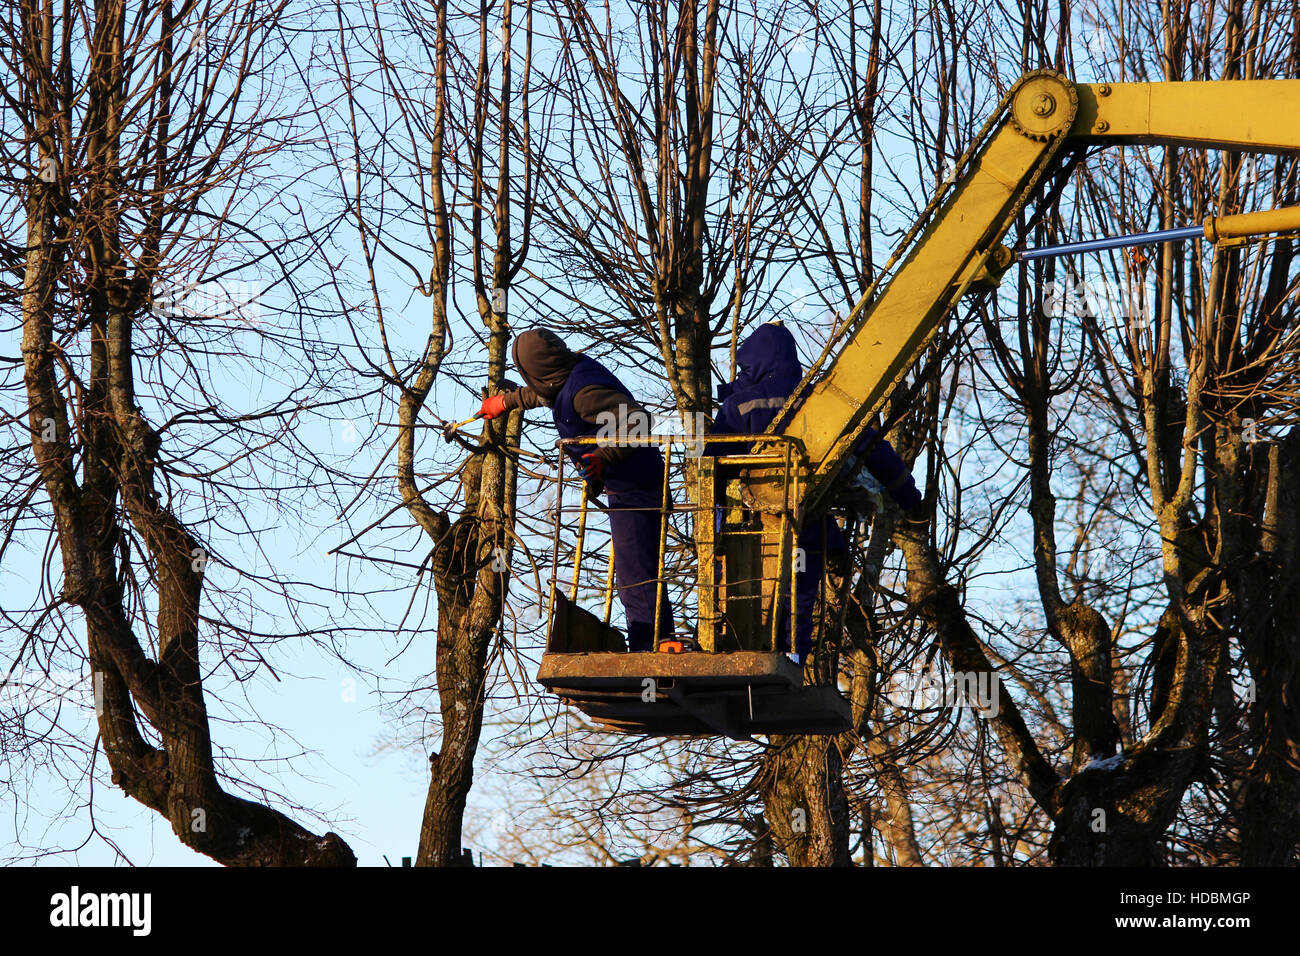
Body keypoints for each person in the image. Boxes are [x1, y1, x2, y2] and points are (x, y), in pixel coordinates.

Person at [704, 321, 923, 663]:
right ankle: (794, 659)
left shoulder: (740, 406)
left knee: (744, 598)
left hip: (750, 530)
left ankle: (740, 654)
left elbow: (711, 470)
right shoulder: (825, 403)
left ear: (756, 363)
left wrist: (710, 525)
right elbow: (878, 452)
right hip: (810, 520)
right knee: (800, 597)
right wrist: (910, 499)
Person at [479, 328, 675, 652]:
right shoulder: (564, 375)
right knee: (636, 566)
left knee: (635, 571)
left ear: (536, 371)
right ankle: (655, 642)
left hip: (638, 486)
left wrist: (603, 456)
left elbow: (638, 420)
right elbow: (542, 394)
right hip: (626, 485)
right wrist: (505, 401)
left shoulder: (583, 391)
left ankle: (652, 648)